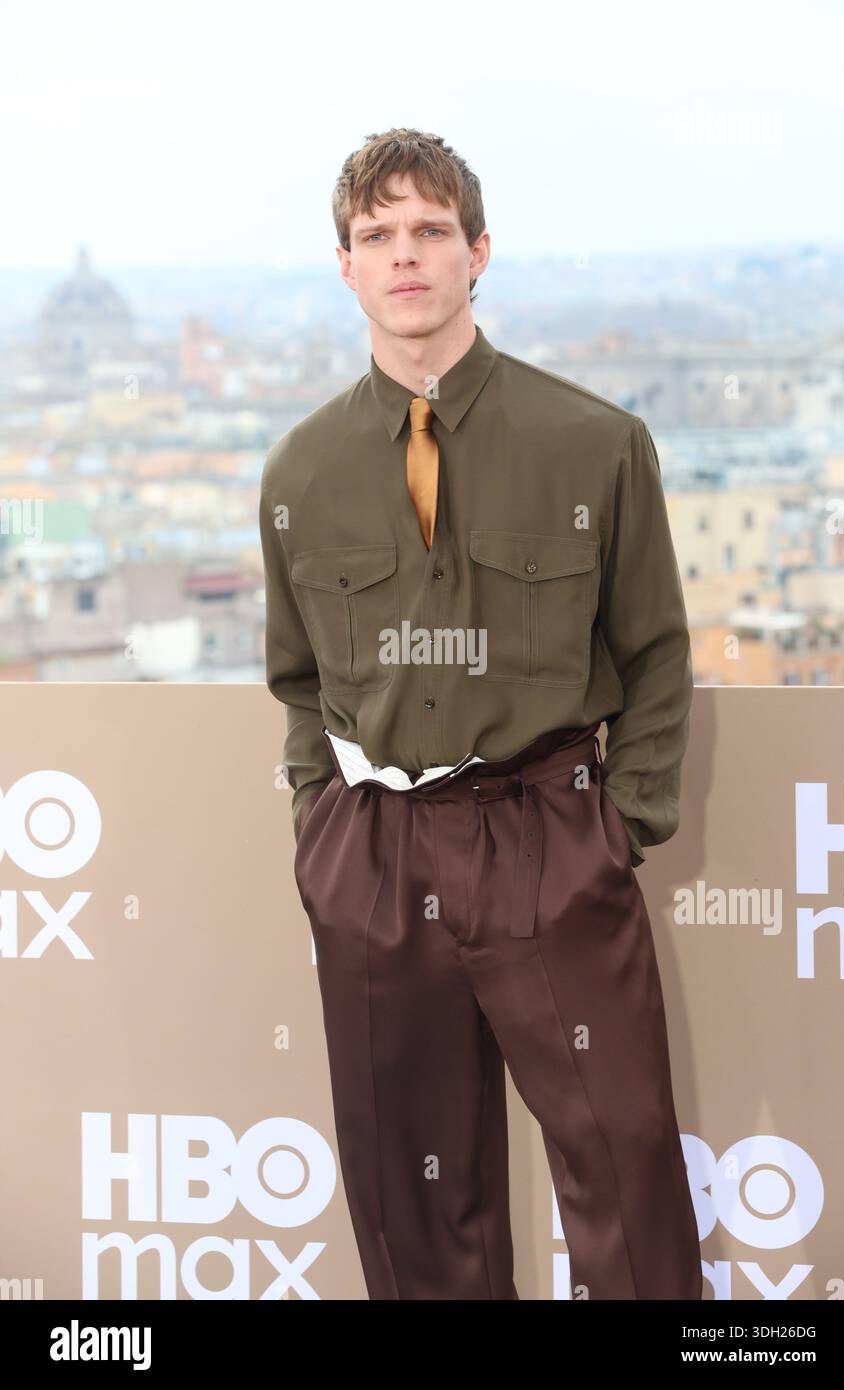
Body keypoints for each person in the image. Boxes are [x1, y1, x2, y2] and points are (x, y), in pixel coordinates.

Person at [258, 127, 702, 1300]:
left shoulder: (595, 444)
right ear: (344, 265)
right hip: (376, 857)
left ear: (477, 252)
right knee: (415, 1209)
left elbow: (655, 653)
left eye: (429, 231)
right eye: (375, 236)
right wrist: (324, 834)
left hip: (547, 838)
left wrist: (616, 832)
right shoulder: (298, 473)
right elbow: (298, 680)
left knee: (625, 1178)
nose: (403, 256)